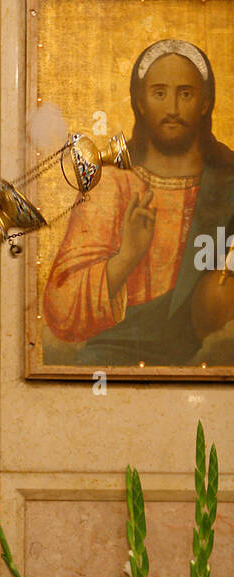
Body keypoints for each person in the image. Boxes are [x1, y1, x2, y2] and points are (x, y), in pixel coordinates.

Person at [42, 38, 234, 366]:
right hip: (112, 362)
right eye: (159, 93)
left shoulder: (227, 184)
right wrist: (126, 256)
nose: (172, 108)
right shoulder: (112, 184)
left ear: (205, 102)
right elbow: (61, 307)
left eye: (185, 93)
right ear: (140, 102)